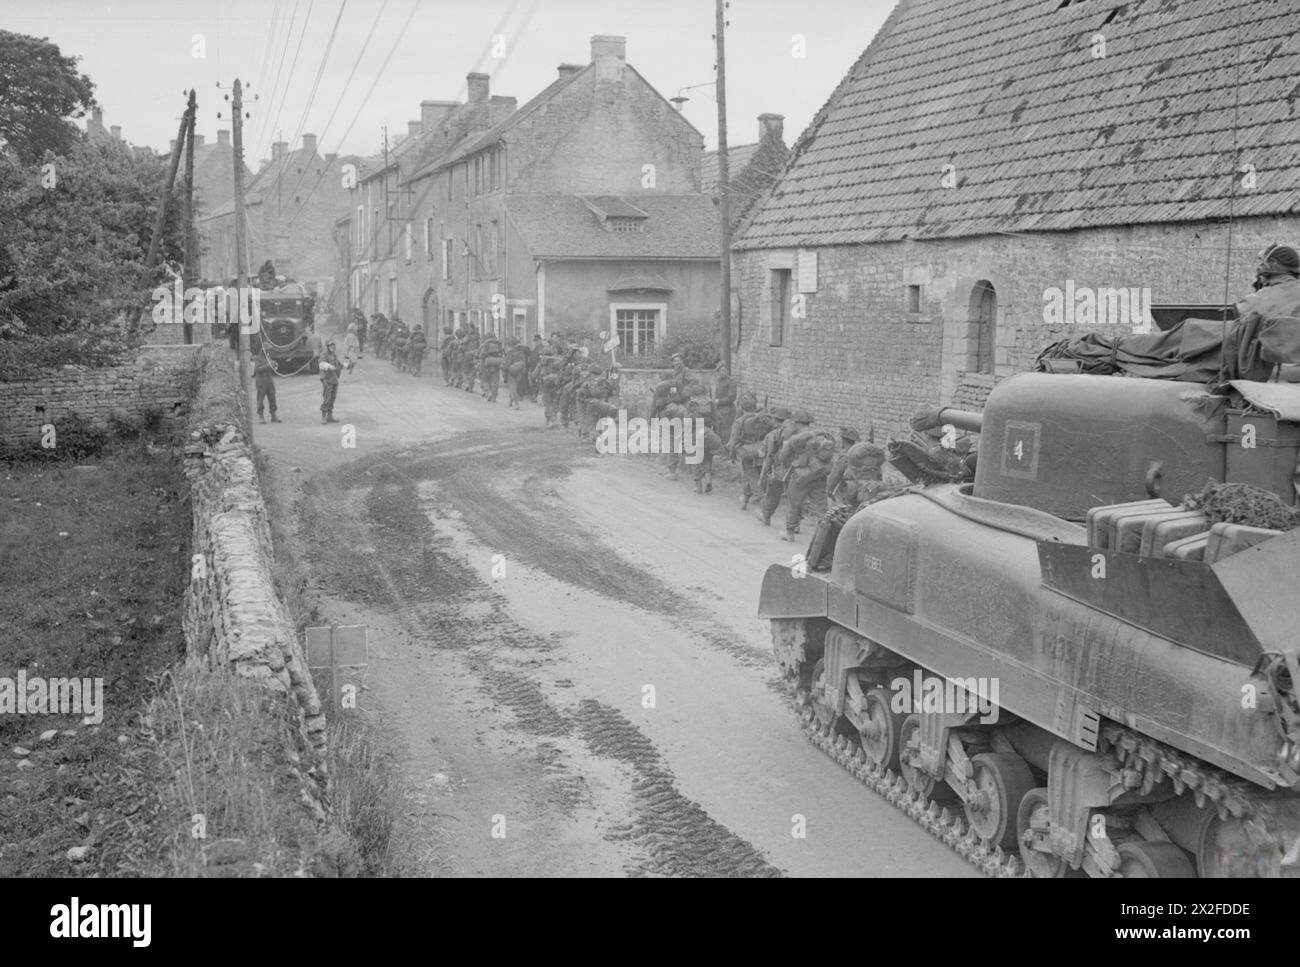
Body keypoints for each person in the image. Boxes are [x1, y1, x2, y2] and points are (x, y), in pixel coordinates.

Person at [1223, 244, 1300, 381]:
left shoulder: (1258, 299)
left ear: (1272, 265)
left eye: (1262, 263)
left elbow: (1237, 325)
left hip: (1262, 364)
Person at [783, 435, 836, 541]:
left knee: (794, 503)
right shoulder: (825, 451)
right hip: (820, 479)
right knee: (821, 508)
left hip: (802, 478)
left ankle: (790, 533)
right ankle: (824, 536)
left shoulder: (805, 446)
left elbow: (788, 453)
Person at [757, 407, 797, 526]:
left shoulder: (773, 434)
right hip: (796, 469)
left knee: (773, 493)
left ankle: (766, 516)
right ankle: (795, 525)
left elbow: (768, 455)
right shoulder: (797, 433)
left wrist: (763, 474)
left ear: (775, 419)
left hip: (780, 469)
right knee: (795, 497)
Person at [712, 362, 738, 444]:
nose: (722, 372)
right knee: (717, 429)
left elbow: (732, 397)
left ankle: (726, 449)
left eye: (723, 370)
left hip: (727, 410)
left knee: (726, 431)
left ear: (727, 371)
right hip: (718, 409)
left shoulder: (731, 382)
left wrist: (718, 401)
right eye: (720, 371)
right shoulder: (718, 381)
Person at [253, 351, 280, 423]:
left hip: (269, 380)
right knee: (260, 399)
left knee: (272, 397)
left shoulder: (268, 357)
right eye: (267, 349)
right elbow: (257, 369)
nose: (268, 351)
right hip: (261, 381)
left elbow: (271, 366)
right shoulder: (258, 358)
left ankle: (273, 415)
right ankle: (261, 416)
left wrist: (274, 364)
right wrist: (268, 365)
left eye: (269, 349)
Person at [319, 341, 342, 424]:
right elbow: (321, 364)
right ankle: (323, 417)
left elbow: (339, 364)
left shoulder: (334, 355)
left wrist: (348, 365)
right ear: (327, 346)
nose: (332, 347)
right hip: (327, 379)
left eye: (333, 345)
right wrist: (328, 366)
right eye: (330, 345)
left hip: (334, 379)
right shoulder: (324, 354)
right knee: (327, 398)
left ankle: (330, 416)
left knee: (332, 398)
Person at [504, 338, 529, 408]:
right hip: (519, 372)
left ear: (510, 345)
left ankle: (516, 404)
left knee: (513, 388)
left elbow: (507, 363)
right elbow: (524, 362)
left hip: (511, 372)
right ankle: (510, 402)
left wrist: (504, 369)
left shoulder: (510, 353)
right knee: (514, 387)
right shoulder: (521, 352)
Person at [480, 331, 504, 401]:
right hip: (496, 364)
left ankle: (488, 393)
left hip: (486, 364)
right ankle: (494, 397)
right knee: (495, 381)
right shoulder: (498, 343)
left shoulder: (485, 344)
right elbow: (502, 353)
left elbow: (481, 355)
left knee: (485, 380)